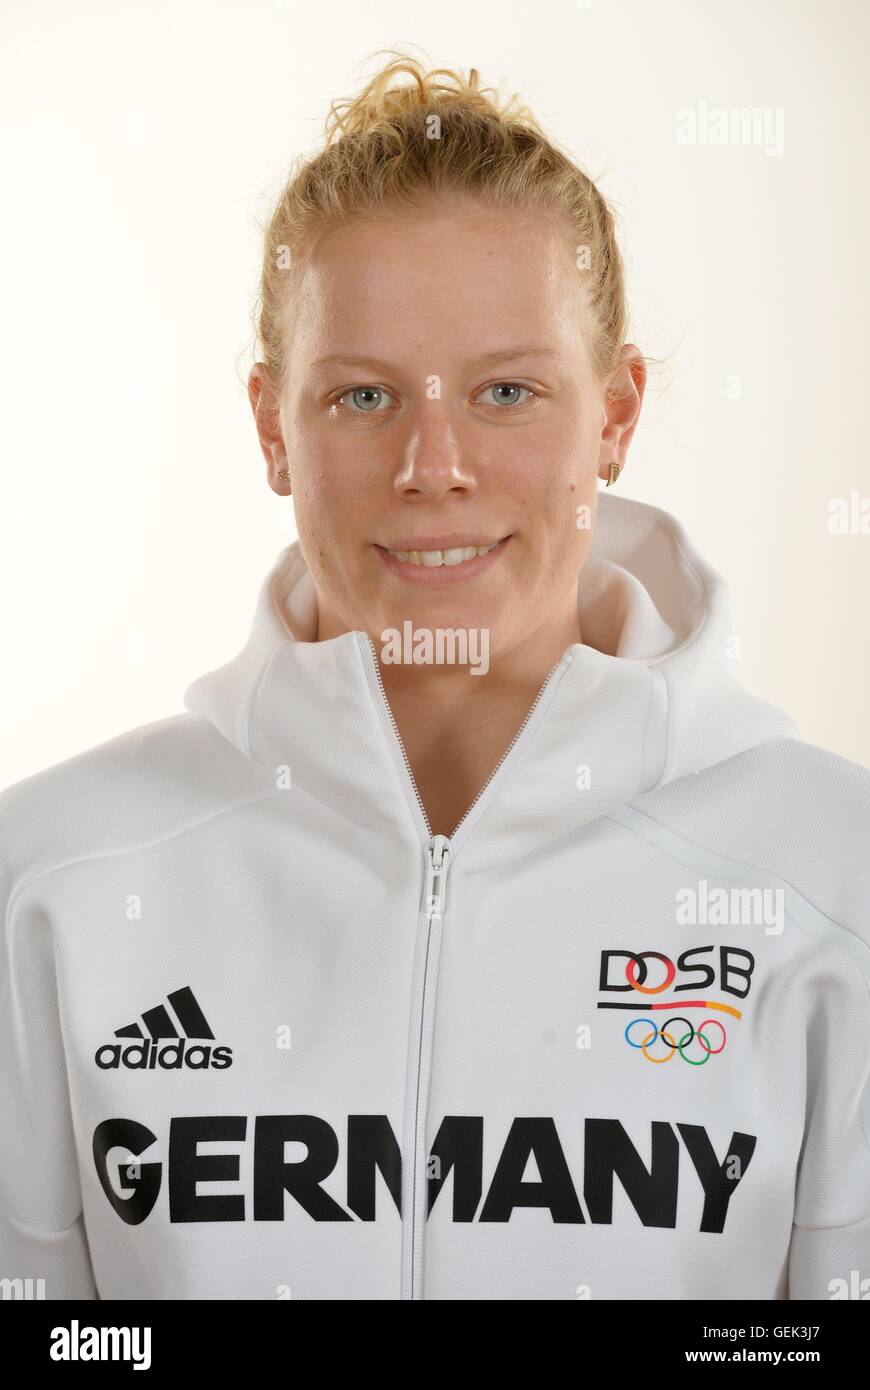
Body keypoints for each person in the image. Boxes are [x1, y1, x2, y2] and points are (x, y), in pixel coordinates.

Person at [1, 52, 868, 1303]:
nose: (434, 463)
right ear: (269, 428)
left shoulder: (832, 880)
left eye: (506, 390)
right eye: (362, 396)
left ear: (617, 412)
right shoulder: (56, 884)